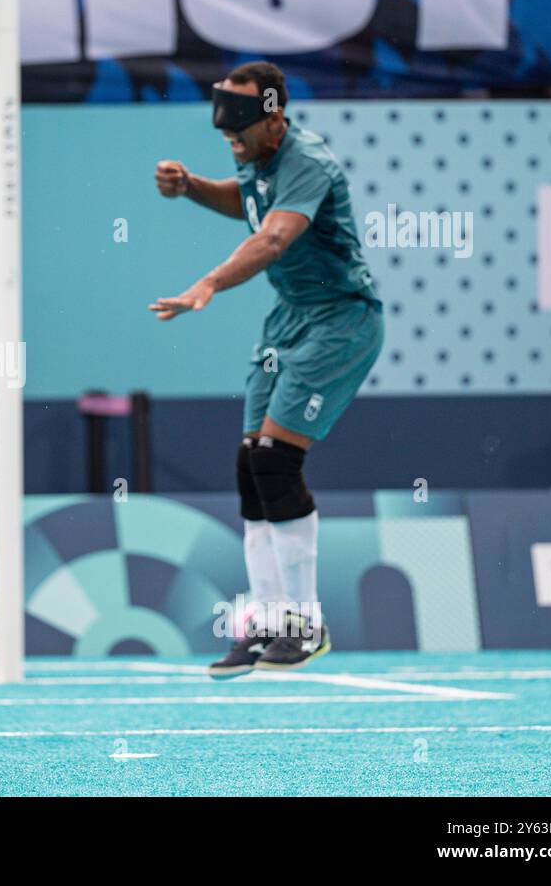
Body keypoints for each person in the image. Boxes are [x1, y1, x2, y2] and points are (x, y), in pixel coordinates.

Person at [150, 61, 383, 677]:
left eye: (240, 127)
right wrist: (194, 186)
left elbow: (273, 238)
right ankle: (269, 621)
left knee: (277, 459)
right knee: (252, 462)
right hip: (291, 318)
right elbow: (249, 204)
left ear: (274, 115)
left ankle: (306, 623)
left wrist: (208, 283)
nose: (231, 138)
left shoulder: (307, 160)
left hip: (341, 319)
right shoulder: (255, 154)